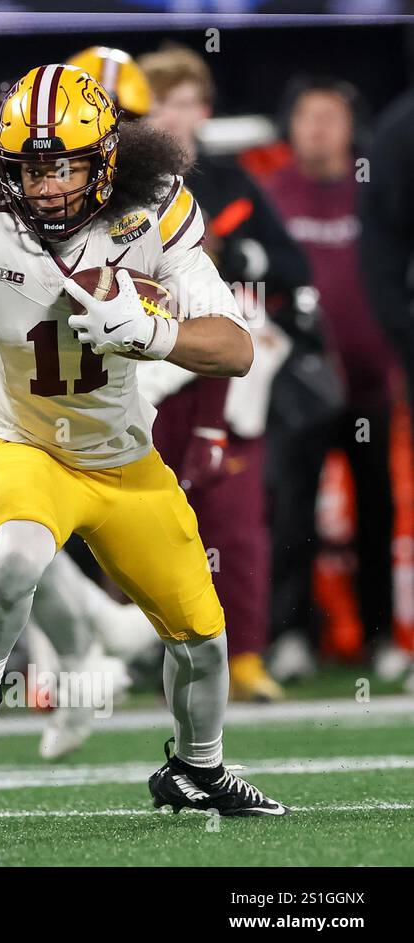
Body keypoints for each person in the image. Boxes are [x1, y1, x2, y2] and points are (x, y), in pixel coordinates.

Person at [0, 64, 288, 816]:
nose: (47, 188)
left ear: (106, 158)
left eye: (66, 164)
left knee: (202, 639)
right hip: (24, 443)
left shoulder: (154, 214)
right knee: (17, 554)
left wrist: (154, 332)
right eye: (32, 169)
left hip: (125, 459)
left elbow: (235, 347)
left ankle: (198, 769)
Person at [140, 45, 312, 702]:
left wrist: (242, 258)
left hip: (222, 373)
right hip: (146, 373)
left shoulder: (231, 181)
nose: (177, 116)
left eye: (188, 102)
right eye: (164, 102)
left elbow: (293, 273)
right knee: (143, 526)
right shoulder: (120, 182)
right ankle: (149, 655)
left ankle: (244, 654)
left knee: (235, 525)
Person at [262, 77, 399, 676]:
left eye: (331, 116)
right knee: (292, 513)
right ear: (289, 126)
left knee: (378, 512)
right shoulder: (270, 194)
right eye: (307, 116)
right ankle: (290, 636)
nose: (318, 128)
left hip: (370, 382)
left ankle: (380, 638)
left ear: (351, 127)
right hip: (297, 386)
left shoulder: (378, 189)